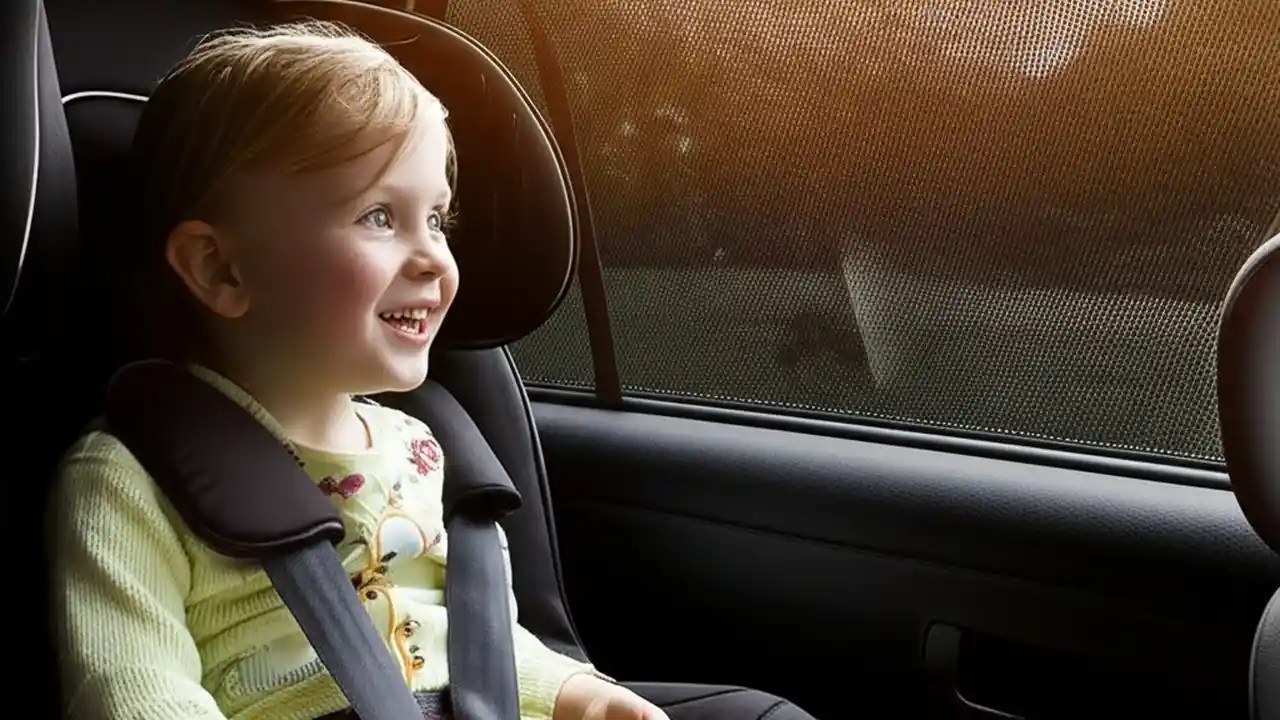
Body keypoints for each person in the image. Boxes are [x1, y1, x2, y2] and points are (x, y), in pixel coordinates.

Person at [47, 20, 670, 720]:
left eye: (437, 218)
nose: (434, 256)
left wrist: (573, 696)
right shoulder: (128, 484)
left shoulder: (420, 448)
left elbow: (465, 636)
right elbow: (132, 691)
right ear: (220, 268)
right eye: (378, 216)